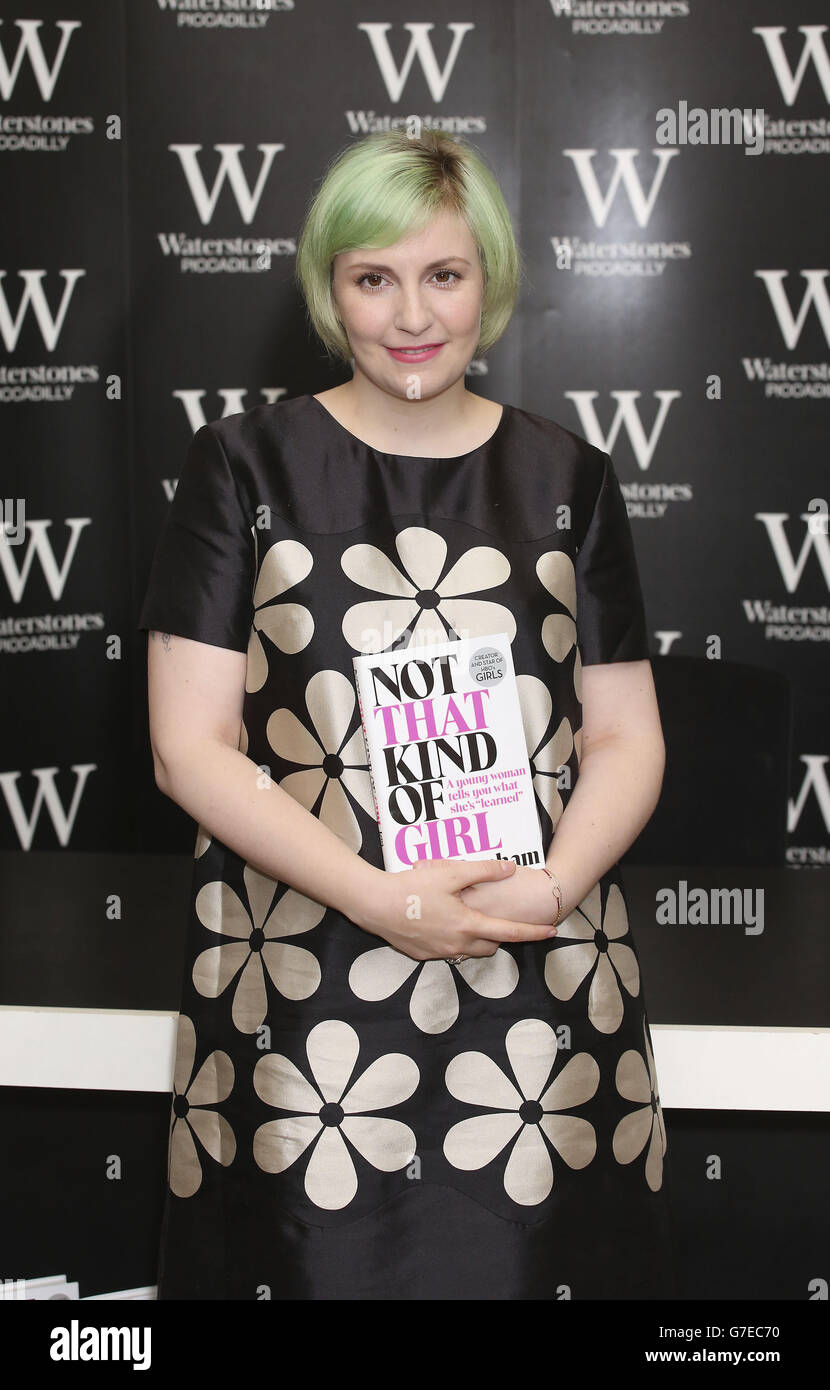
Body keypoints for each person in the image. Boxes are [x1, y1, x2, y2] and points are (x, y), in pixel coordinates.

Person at [138, 128, 676, 1300]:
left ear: (490, 278)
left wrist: (546, 890)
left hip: (532, 968)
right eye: (371, 278)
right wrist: (385, 899)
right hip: (304, 981)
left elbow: (626, 735)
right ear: (330, 292)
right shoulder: (240, 467)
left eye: (442, 274)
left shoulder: (568, 477)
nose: (409, 313)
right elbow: (190, 748)